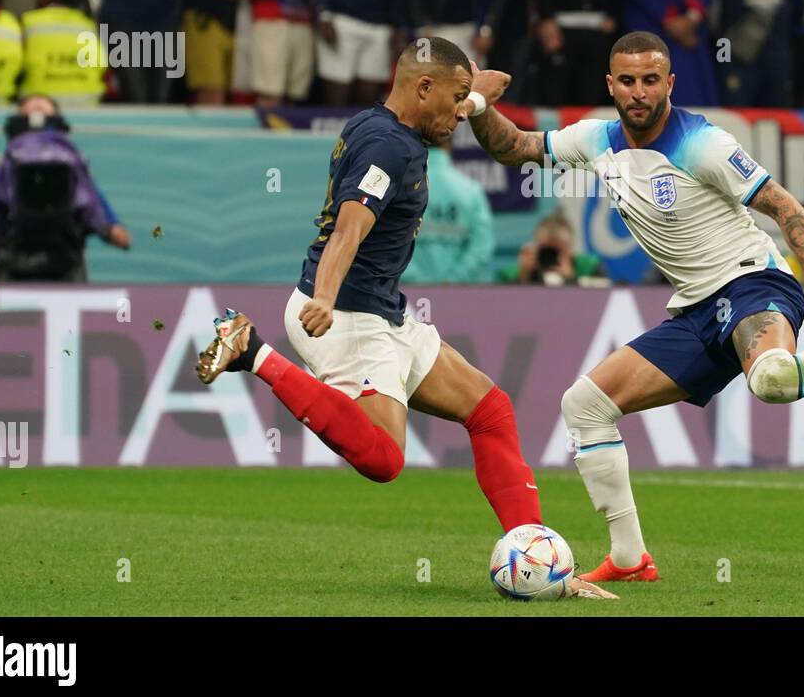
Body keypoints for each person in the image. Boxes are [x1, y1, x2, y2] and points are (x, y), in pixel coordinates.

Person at [466, 30, 804, 582]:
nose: (639, 92)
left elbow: (781, 204)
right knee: (584, 406)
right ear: (611, 85)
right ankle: (629, 558)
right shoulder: (596, 140)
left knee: (771, 381)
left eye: (651, 80)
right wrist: (478, 104)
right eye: (627, 81)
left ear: (670, 83)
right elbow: (513, 147)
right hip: (696, 311)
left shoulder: (703, 144)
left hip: (753, 285)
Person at [192, 37, 614, 601]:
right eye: (453, 99)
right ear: (422, 89)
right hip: (344, 315)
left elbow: (487, 84)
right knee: (385, 459)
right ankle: (251, 351)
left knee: (489, 410)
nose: (458, 116)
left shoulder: (402, 121)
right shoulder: (386, 148)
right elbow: (349, 228)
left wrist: (471, 94)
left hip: (383, 312)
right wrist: (324, 295)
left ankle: (534, 555)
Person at [0, 94, 132, 282]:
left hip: (66, 263)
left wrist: (112, 230)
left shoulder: (76, 165)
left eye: (44, 103)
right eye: (28, 103)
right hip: (11, 264)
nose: (36, 103)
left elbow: (96, 206)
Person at [402, 134, 495, 284]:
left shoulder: (401, 188)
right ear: (449, 145)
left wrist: (417, 280)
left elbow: (387, 242)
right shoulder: (471, 190)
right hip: (460, 297)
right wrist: (454, 280)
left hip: (409, 297)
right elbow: (482, 246)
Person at [20, 0, 106, 108]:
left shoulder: (30, 22)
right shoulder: (89, 26)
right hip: (87, 108)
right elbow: (101, 68)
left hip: (41, 110)